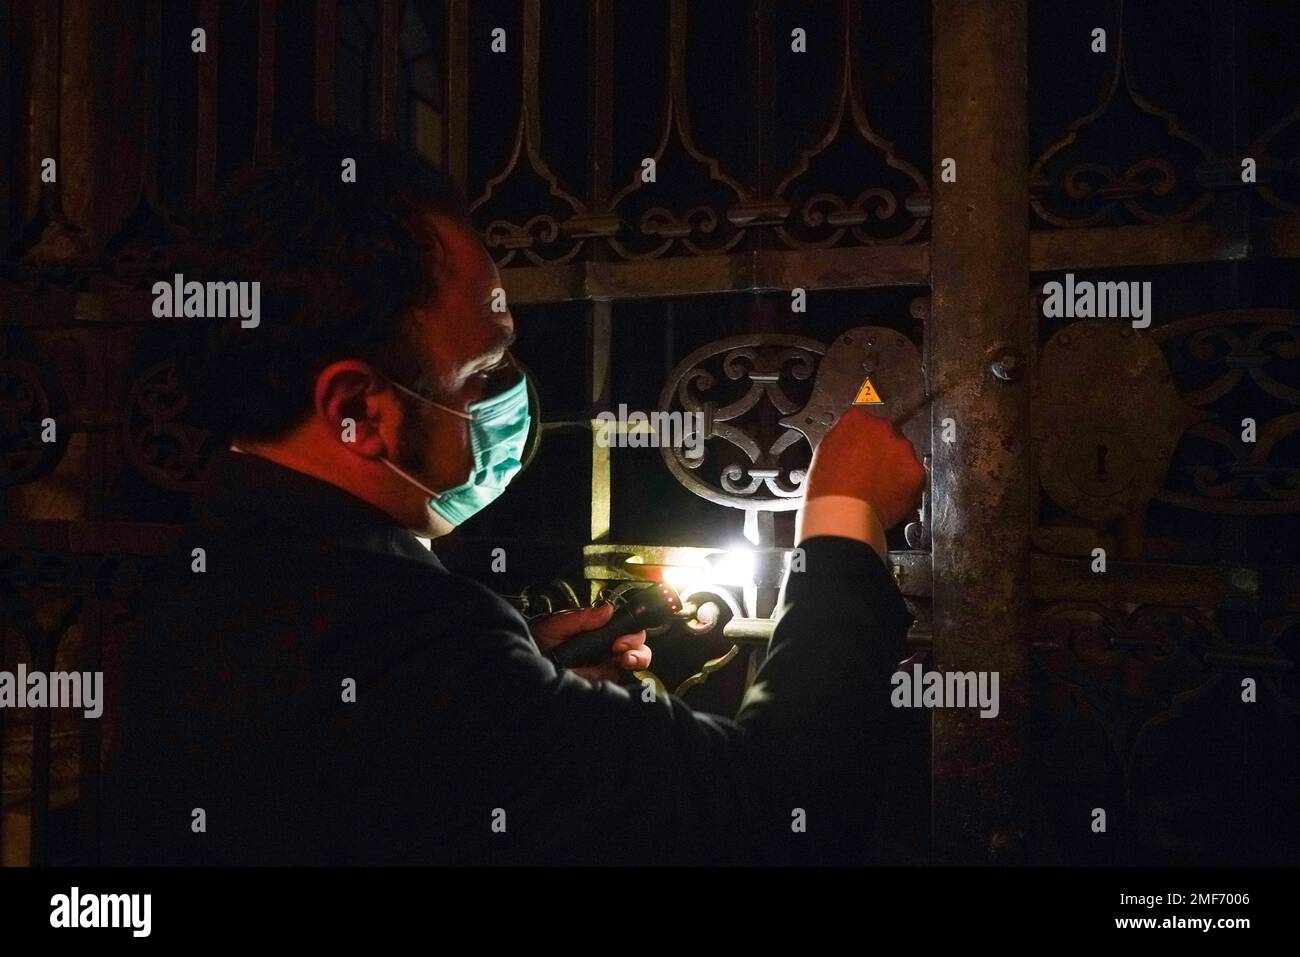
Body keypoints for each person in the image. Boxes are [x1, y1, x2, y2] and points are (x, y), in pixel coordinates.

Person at [101, 126, 926, 866]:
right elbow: (786, 815)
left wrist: (528, 676)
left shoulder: (215, 577)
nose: (505, 399)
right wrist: (844, 522)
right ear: (358, 411)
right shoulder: (394, 646)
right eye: (483, 374)